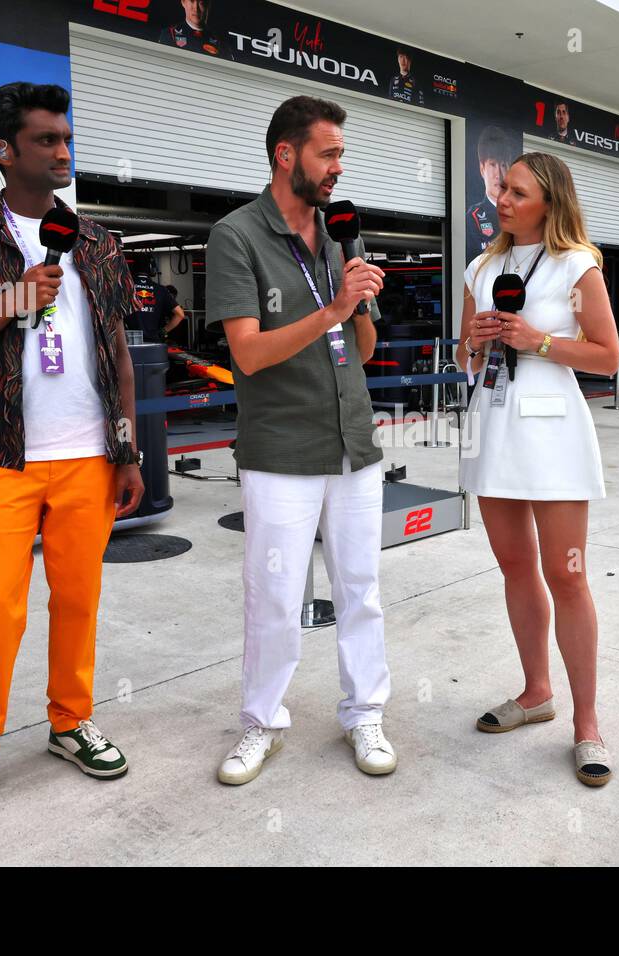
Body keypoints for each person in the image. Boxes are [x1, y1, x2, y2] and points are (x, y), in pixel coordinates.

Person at [0, 82, 145, 843]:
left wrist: (127, 447)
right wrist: (8, 301)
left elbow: (117, 349)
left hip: (88, 457)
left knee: (77, 601)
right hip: (4, 458)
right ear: (3, 151)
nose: (63, 150)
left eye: (65, 137)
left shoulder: (99, 241)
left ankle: (70, 721)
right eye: (45, 139)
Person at [204, 95, 394, 785]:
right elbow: (248, 355)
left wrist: (360, 306)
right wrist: (334, 309)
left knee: (360, 588)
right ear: (286, 155)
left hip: (353, 444)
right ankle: (261, 723)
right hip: (280, 449)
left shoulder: (345, 235)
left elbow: (364, 350)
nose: (339, 167)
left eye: (342, 153)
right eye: (329, 153)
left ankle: (364, 713)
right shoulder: (236, 236)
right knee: (275, 596)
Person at [455, 151, 619, 786]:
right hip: (493, 428)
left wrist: (539, 341)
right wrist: (477, 343)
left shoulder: (578, 265)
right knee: (516, 566)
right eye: (503, 189)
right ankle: (535, 692)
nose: (503, 200)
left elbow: (608, 356)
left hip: (553, 436)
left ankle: (588, 722)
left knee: (567, 574)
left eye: (518, 192)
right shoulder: (481, 266)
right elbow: (467, 356)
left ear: (549, 202)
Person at [467, 126, 515, 254]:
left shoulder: (519, 214)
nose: (499, 174)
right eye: (493, 164)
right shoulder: (473, 218)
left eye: (504, 165)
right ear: (482, 168)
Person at [128, 257, 184, 344]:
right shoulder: (161, 289)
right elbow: (180, 314)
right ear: (151, 269)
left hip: (130, 341)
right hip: (154, 342)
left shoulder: (124, 288)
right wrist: (163, 332)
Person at [157, 0, 229, 57]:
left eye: (201, 2)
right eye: (191, 1)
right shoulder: (170, 34)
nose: (196, 7)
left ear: (208, 5)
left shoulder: (221, 43)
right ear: (183, 2)